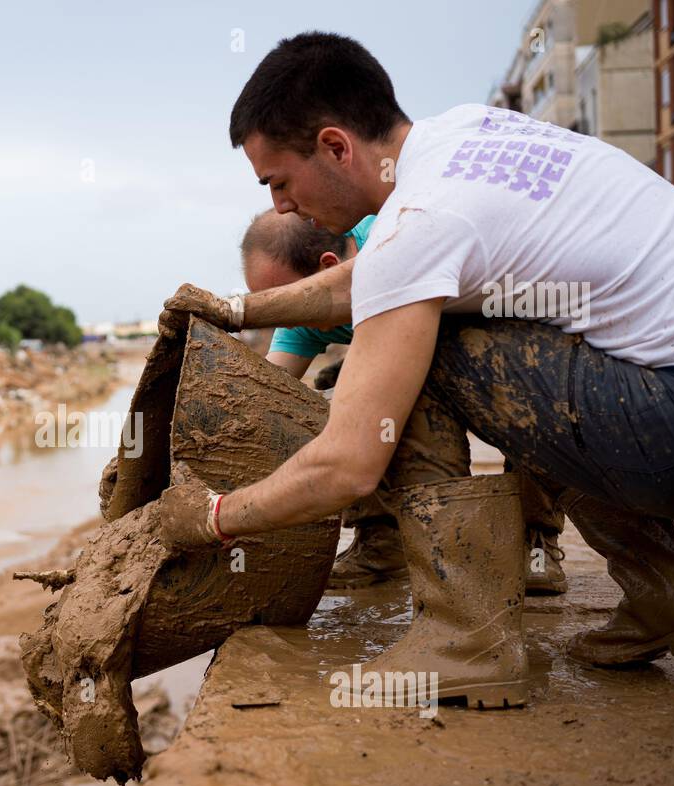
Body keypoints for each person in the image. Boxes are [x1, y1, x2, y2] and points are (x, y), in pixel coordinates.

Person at [157, 32, 674, 708]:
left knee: (425, 350)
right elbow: (373, 275)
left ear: (337, 146)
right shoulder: (465, 136)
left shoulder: (421, 217)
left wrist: (212, 518)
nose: (283, 208)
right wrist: (238, 309)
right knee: (475, 327)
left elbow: (348, 465)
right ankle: (662, 596)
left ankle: (469, 637)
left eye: (279, 183)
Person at [241, 208, 567, 593]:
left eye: (284, 302)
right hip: (410, 354)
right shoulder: (302, 321)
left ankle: (536, 541)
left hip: (509, 335)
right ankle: (381, 544)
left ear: (327, 268)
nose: (284, 318)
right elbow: (264, 398)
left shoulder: (398, 238)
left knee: (529, 398)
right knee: (349, 397)